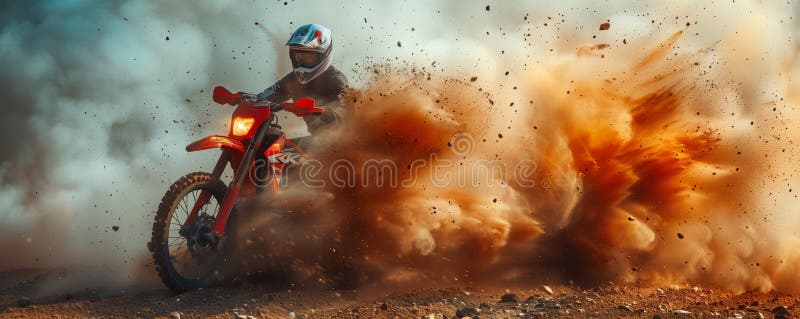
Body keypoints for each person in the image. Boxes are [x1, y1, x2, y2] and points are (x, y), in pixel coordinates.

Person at [257, 23, 349, 137]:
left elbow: (343, 116)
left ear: (324, 54)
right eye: (298, 56)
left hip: (345, 144)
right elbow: (268, 95)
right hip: (316, 143)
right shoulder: (294, 80)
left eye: (308, 57)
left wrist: (317, 111)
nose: (301, 61)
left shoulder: (335, 80)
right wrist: (242, 98)